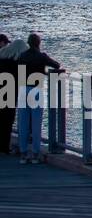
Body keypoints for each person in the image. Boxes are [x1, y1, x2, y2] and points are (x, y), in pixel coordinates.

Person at [16, 33, 62, 164]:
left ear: (28, 43)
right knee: (36, 123)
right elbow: (57, 65)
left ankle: (23, 154)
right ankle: (36, 154)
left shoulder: (22, 56)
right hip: (36, 90)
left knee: (23, 123)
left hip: (23, 89)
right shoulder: (41, 56)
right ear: (38, 43)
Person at [0, 36, 26, 156]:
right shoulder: (18, 62)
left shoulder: (2, 59)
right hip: (11, 93)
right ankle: (5, 147)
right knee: (8, 120)